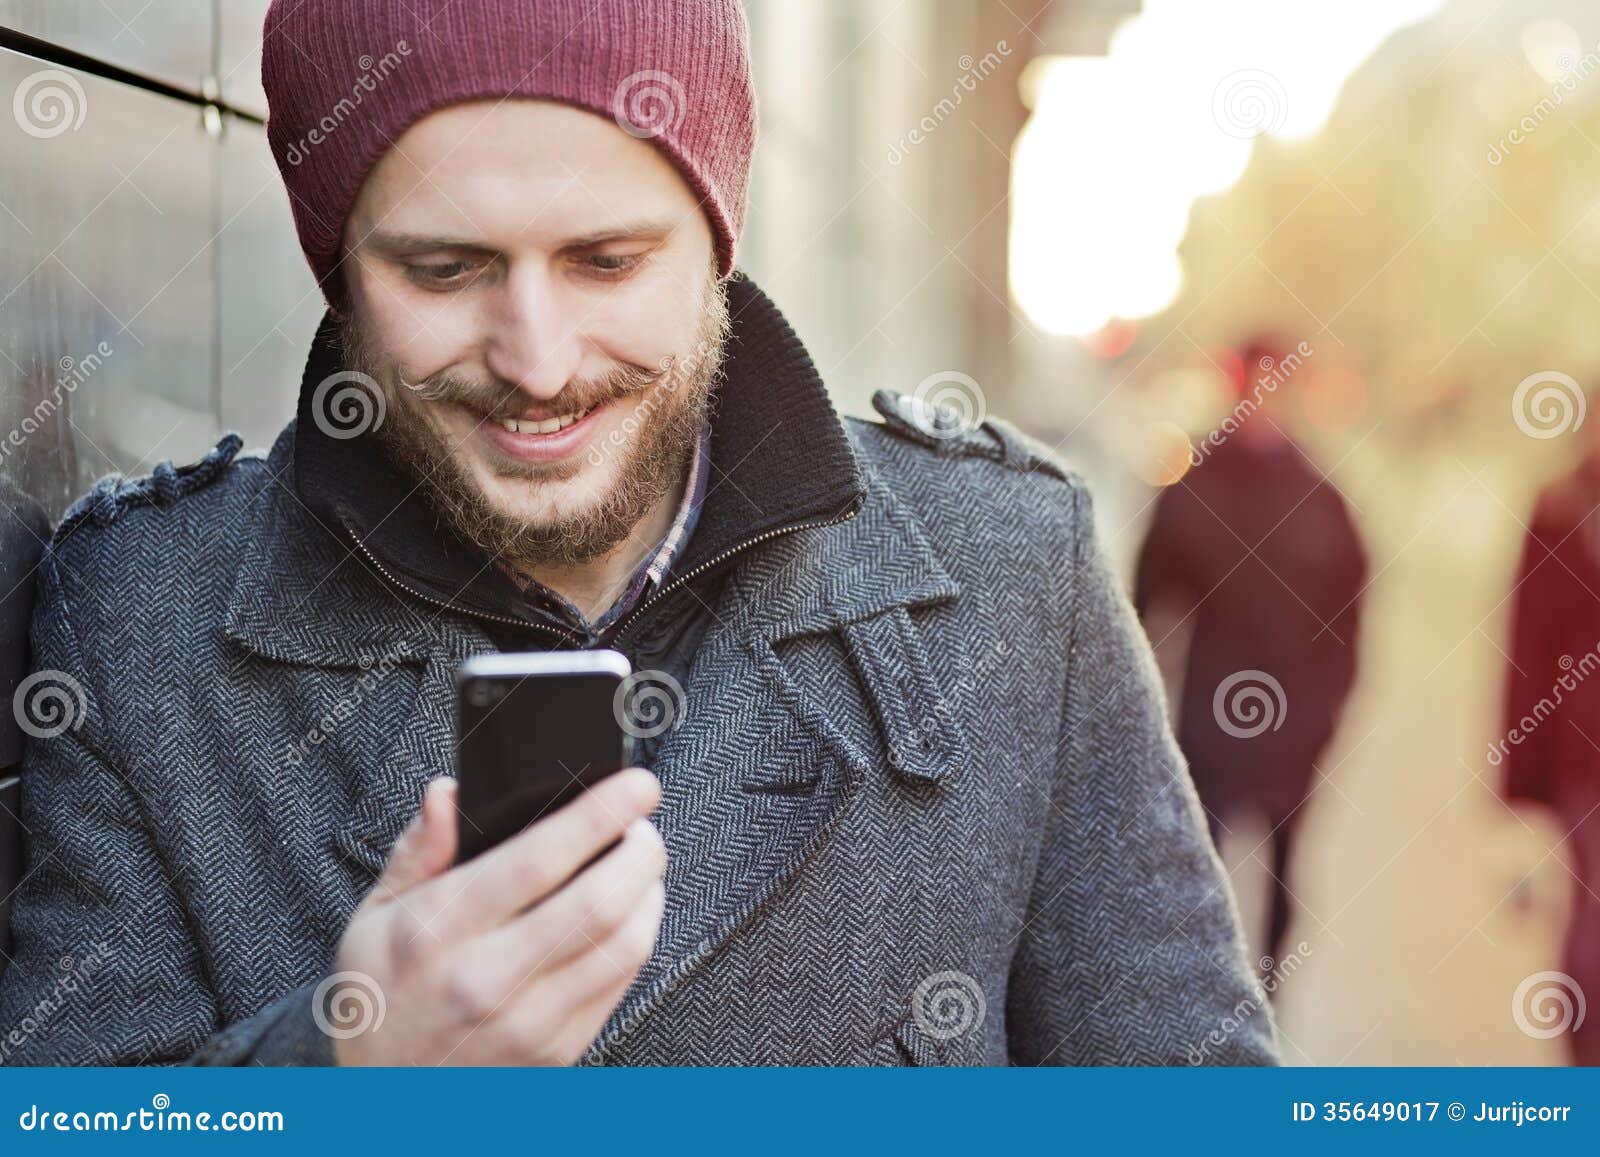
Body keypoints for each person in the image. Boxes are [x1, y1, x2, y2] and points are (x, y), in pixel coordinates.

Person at [0, 0, 1275, 1066]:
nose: (539, 364)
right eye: (443, 272)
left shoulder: (1010, 574)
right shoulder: (139, 622)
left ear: (717, 241)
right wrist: (348, 1066)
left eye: (607, 260)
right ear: (338, 270)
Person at [1135, 337, 1367, 979]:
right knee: (1197, 866)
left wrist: (1329, 706)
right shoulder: (1196, 485)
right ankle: (1201, 993)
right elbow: (1145, 603)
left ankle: (1264, 1000)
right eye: (1254, 383)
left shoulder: (1321, 494)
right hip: (1212, 717)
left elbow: (1351, 613)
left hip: (1296, 723)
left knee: (1286, 872)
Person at [1498, 398, 1600, 1066]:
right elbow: (1528, 646)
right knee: (1592, 920)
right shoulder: (1561, 507)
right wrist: (1521, 772)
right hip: (1583, 752)